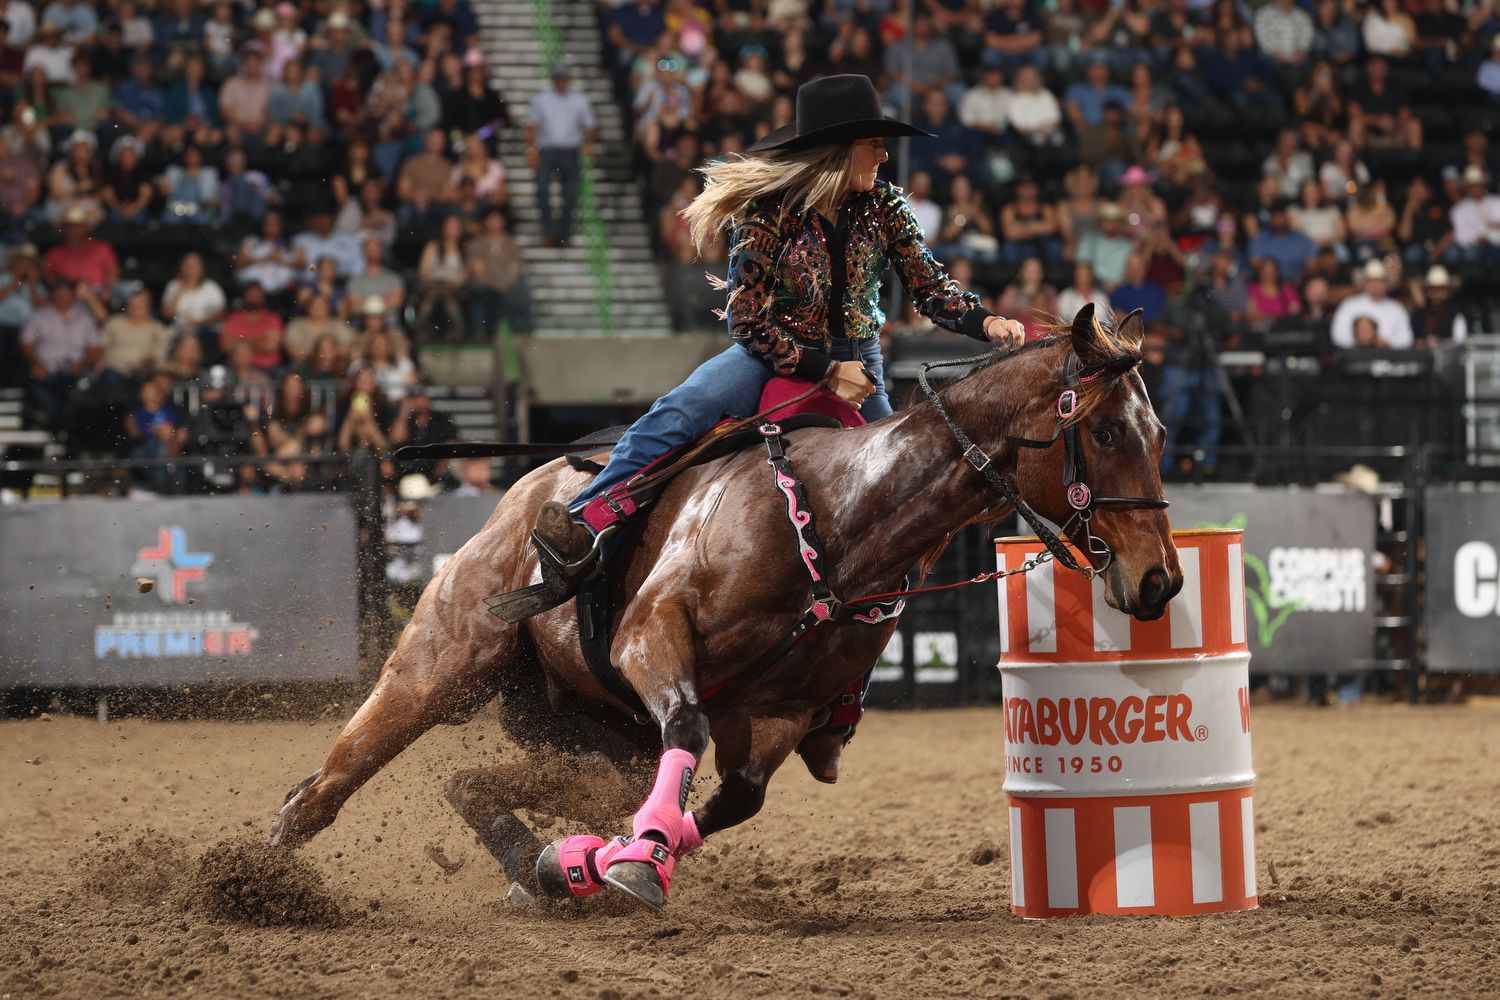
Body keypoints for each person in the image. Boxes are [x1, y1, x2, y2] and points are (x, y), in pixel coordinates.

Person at [519, 75, 1024, 781]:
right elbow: (745, 319)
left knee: (905, 511)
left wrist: (986, 321)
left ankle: (842, 702)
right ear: (836, 150)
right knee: (680, 414)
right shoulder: (770, 209)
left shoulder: (886, 208)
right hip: (772, 352)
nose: (883, 154)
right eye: (872, 143)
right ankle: (585, 519)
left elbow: (932, 289)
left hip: (861, 358)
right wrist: (821, 366)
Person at [526, 60, 596, 247]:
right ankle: (549, 231)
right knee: (541, 191)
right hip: (547, 150)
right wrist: (531, 148)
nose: (561, 83)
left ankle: (565, 234)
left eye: (564, 79)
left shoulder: (579, 99)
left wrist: (587, 144)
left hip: (570, 151)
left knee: (571, 194)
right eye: (558, 79)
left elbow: (589, 125)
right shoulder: (541, 98)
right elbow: (532, 125)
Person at [1330, 259, 1412, 349]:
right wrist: (1361, 341)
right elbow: (1338, 336)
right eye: (1371, 280)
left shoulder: (1397, 309)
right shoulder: (1349, 305)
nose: (1375, 284)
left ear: (1386, 283)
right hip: (1355, 357)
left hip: (1389, 358)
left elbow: (1406, 340)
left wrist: (1386, 343)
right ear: (1364, 283)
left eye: (1379, 280)